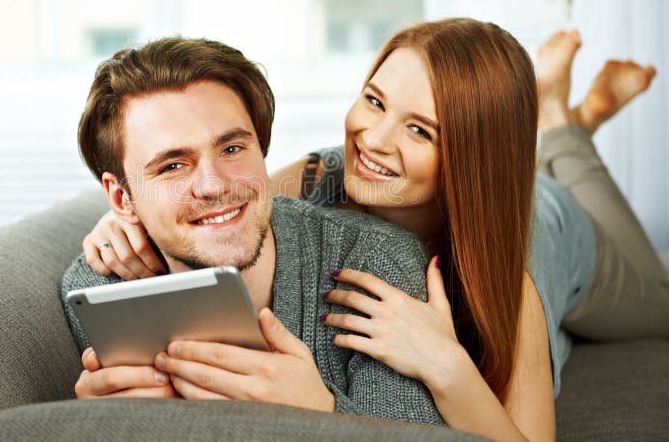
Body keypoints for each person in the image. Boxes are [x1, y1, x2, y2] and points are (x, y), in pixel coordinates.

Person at [80, 20, 669, 441]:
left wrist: (447, 364)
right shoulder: (315, 176)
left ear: (468, 157)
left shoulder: (516, 271)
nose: (374, 139)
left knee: (659, 304)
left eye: (421, 131)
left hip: (555, 221)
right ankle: (560, 117)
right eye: (374, 100)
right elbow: (218, 202)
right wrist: (126, 219)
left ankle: (567, 124)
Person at [60, 37, 445, 425]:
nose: (214, 185)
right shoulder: (100, 288)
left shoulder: (378, 264)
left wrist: (321, 413)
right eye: (172, 166)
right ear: (122, 198)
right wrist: (102, 425)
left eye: (231, 149)